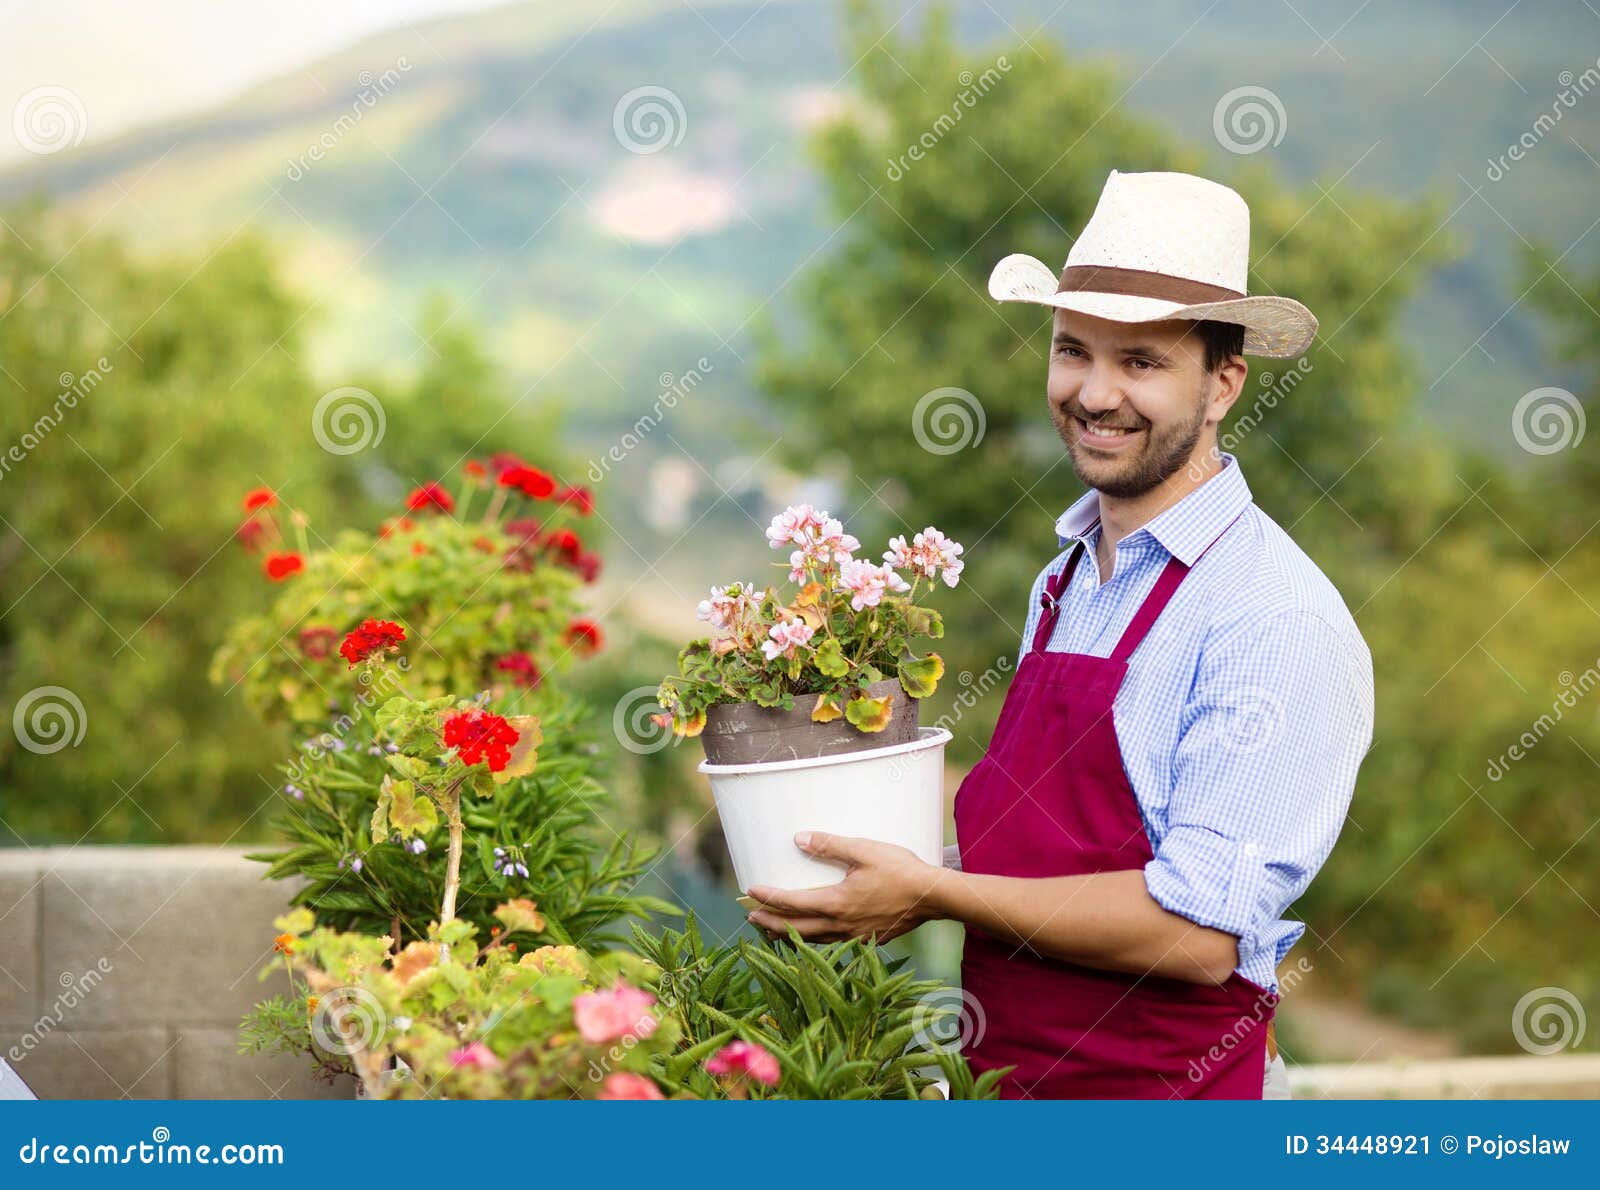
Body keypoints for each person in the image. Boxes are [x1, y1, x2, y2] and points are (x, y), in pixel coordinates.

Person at [745, 169, 1374, 1100]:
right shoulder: (1069, 577)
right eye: (1073, 350)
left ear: (1223, 384)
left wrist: (930, 892)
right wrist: (874, 868)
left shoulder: (1271, 616)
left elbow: (1197, 937)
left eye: (1144, 362)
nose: (1095, 392)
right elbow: (1056, 855)